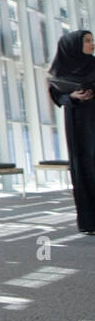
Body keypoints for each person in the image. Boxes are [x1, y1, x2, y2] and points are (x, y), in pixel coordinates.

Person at [47, 30, 95, 234]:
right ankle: (89, 222)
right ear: (73, 45)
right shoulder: (60, 69)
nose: (92, 44)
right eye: (87, 41)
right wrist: (72, 96)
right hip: (77, 123)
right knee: (83, 168)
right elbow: (57, 96)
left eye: (92, 40)